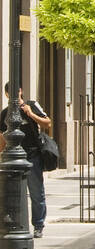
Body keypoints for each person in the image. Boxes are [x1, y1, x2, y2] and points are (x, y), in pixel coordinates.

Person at [0, 84, 52, 237]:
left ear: (21, 91)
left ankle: (38, 225)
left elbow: (47, 123)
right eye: (11, 92)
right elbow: (2, 139)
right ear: (7, 95)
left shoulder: (31, 105)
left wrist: (30, 114)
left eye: (17, 91)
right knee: (12, 194)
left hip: (32, 155)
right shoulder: (4, 114)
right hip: (12, 159)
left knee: (36, 192)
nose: (15, 95)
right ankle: (14, 223)